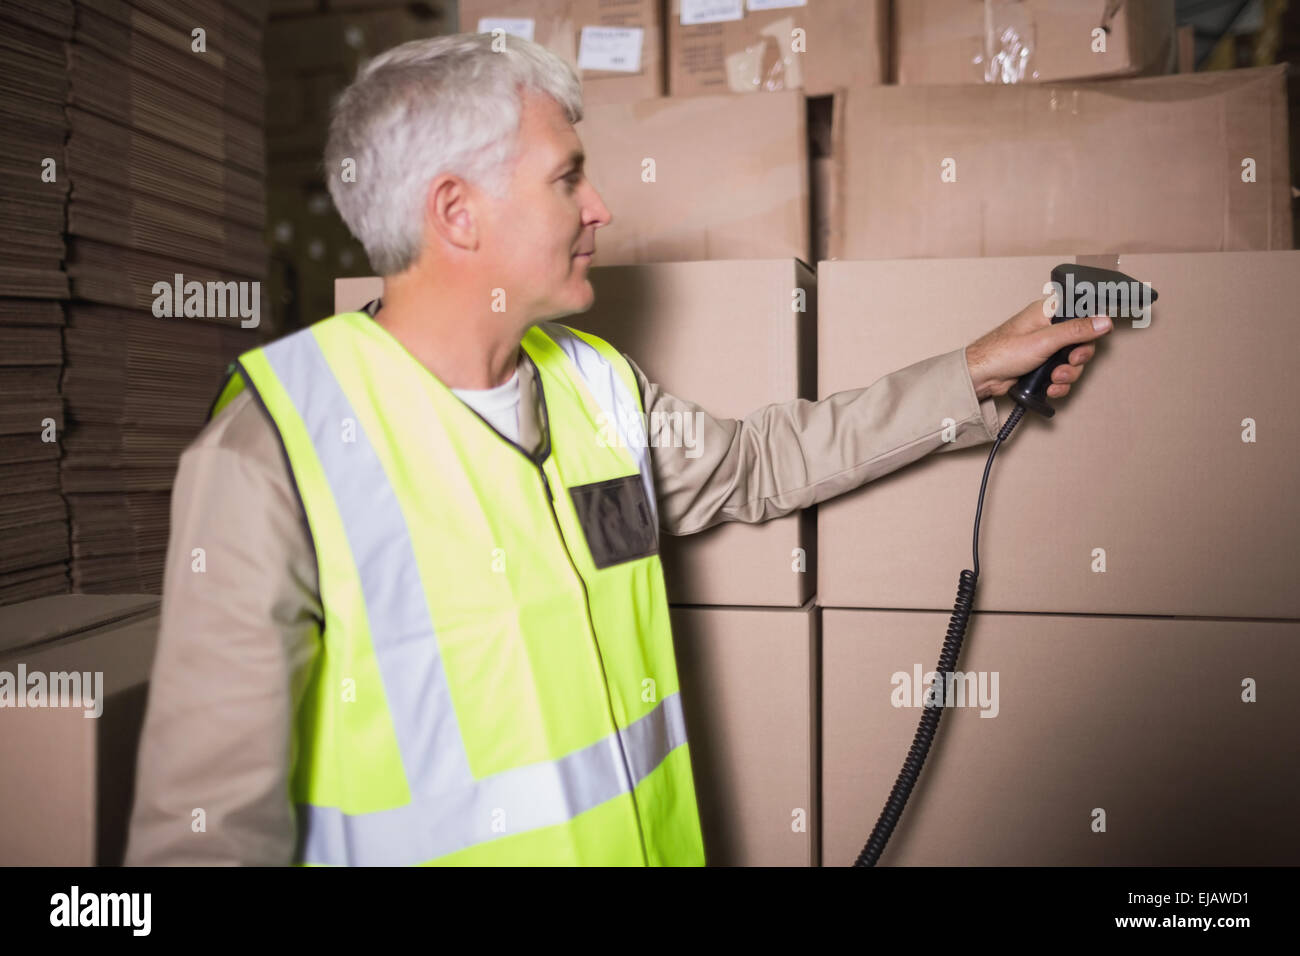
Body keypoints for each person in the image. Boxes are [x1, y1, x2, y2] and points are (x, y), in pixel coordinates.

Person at [125, 33, 1110, 866]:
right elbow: (203, 835)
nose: (599, 207)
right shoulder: (272, 450)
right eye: (566, 177)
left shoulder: (595, 385)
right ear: (457, 212)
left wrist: (976, 369)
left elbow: (761, 462)